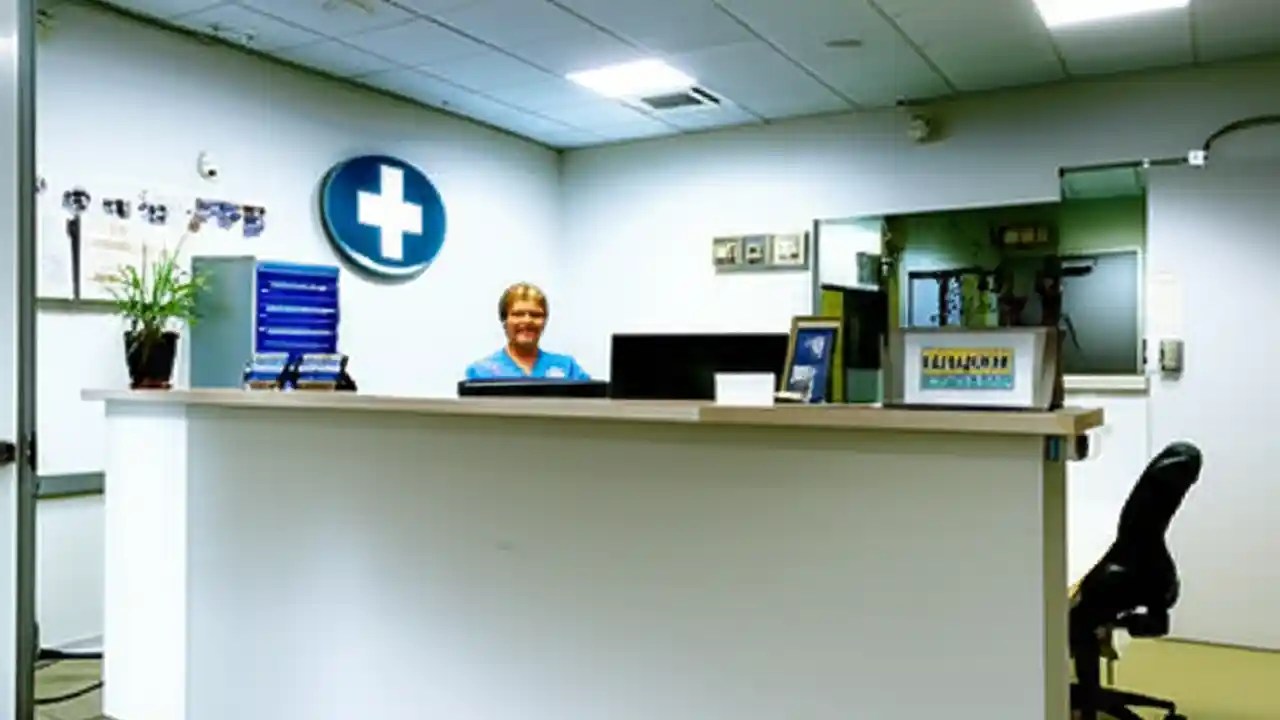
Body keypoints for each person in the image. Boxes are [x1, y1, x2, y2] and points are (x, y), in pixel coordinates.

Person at [464, 282, 591, 381]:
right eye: (518, 314)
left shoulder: (567, 368)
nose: (527, 321)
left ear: (545, 321)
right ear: (504, 321)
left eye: (536, 315)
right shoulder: (481, 372)